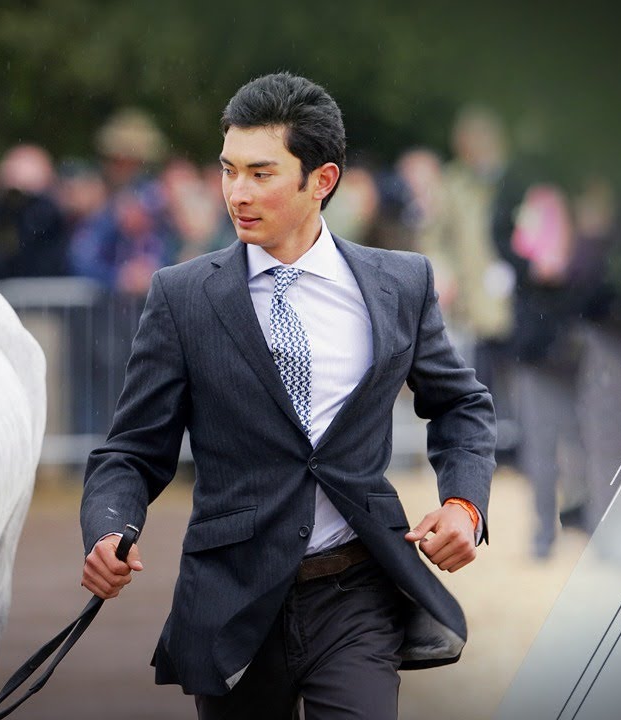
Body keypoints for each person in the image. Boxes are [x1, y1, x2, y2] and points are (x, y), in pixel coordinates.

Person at [79, 72, 495, 719]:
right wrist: (109, 529)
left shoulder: (401, 282)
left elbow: (461, 405)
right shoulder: (181, 296)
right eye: (228, 171)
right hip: (231, 603)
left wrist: (464, 504)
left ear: (321, 180)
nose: (237, 194)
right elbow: (132, 450)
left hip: (358, 591)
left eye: (261, 173)